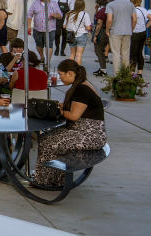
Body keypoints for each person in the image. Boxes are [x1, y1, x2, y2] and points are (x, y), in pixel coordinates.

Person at [33, 61, 107, 189]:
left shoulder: (81, 90)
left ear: (70, 73)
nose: (60, 77)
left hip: (90, 135)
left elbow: (74, 116)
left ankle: (45, 181)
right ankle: (54, 179)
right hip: (85, 131)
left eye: (61, 74)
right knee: (46, 137)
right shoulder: (81, 85)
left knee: (48, 142)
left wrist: (59, 111)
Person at [27, 0, 62, 70]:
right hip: (37, 29)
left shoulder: (54, 4)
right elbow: (29, 14)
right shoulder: (35, 3)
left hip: (50, 29)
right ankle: (42, 57)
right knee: (39, 45)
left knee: (49, 45)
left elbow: (60, 15)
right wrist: (29, 25)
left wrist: (55, 15)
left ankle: (47, 62)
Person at [104, 0, 135, 76]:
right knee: (125, 54)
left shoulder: (110, 5)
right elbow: (134, 19)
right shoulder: (130, 4)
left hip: (115, 31)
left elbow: (109, 19)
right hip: (127, 31)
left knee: (116, 53)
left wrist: (107, 30)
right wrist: (131, 29)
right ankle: (125, 75)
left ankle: (117, 75)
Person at [63, 0, 92, 67]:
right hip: (81, 35)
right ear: (83, 6)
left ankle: (71, 70)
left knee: (72, 54)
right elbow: (88, 28)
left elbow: (64, 26)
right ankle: (78, 71)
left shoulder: (68, 13)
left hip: (71, 35)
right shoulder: (85, 14)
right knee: (79, 55)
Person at [130, 0, 151, 71]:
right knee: (139, 53)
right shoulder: (143, 9)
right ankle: (140, 73)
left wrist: (131, 30)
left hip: (135, 33)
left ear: (132, 2)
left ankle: (132, 72)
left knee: (133, 53)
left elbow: (134, 20)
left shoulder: (133, 10)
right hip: (143, 33)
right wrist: (145, 26)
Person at [91, 0, 110, 77]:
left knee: (98, 50)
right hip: (108, 31)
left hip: (102, 32)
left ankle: (103, 70)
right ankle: (102, 69)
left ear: (99, 3)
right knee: (100, 51)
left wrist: (95, 35)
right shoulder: (108, 9)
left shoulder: (102, 11)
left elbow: (99, 23)